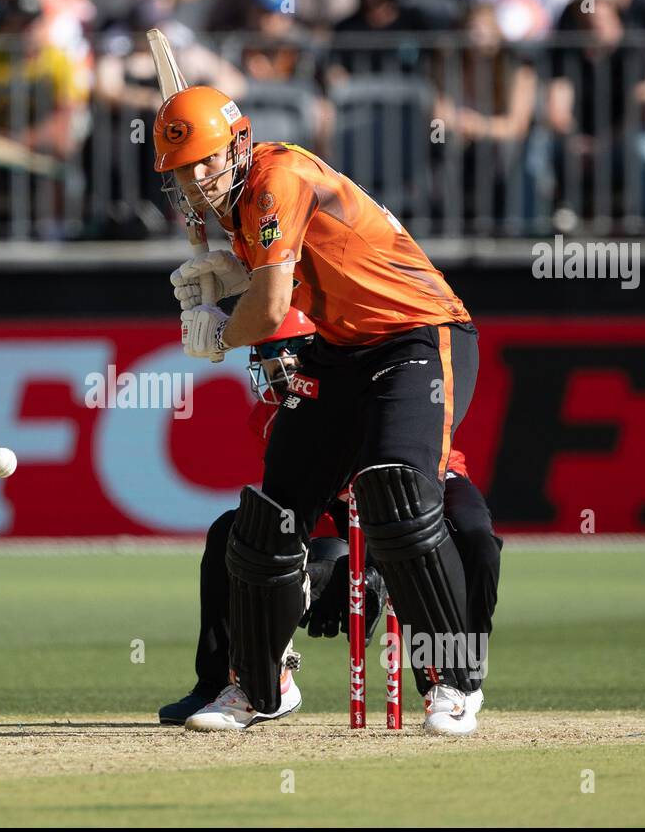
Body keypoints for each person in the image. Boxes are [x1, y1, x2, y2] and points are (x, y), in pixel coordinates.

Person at [156, 85, 484, 734]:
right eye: (184, 170)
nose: (197, 179)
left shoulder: (279, 177)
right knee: (270, 519)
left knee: (399, 493)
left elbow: (273, 308)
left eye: (207, 161)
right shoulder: (243, 210)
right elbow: (294, 282)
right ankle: (259, 686)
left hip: (417, 332)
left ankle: (455, 680)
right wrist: (235, 275)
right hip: (341, 350)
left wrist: (219, 330)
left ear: (240, 143)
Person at [159, 310, 503, 727]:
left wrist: (376, 565)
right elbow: (301, 513)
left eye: (286, 349)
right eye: (267, 352)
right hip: (339, 508)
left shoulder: (372, 379)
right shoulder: (273, 414)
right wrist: (333, 571)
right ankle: (238, 681)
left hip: (425, 484)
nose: (277, 363)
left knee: (474, 535)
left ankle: (456, 680)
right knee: (233, 533)